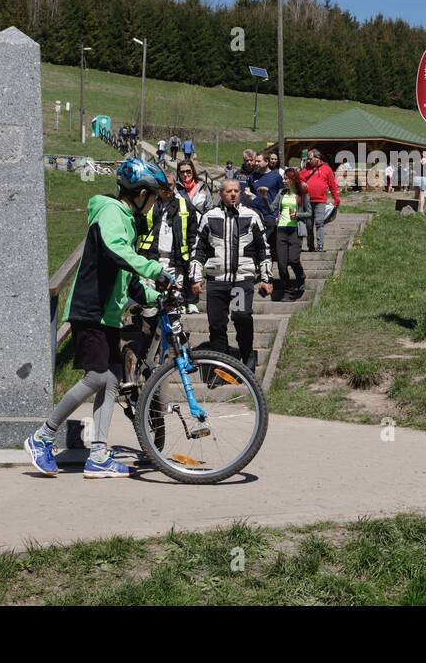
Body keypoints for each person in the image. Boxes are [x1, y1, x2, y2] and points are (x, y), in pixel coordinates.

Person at [24, 159, 174, 477]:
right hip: (88, 308)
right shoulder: (110, 212)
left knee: (111, 382)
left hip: (106, 314)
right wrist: (154, 269)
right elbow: (112, 250)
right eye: (153, 197)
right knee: (96, 378)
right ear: (141, 193)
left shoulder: (126, 222)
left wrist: (154, 296)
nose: (153, 205)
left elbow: (125, 275)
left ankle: (99, 455)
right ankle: (42, 437)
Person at [190, 179, 273, 371]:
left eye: (236, 191)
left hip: (241, 280)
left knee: (241, 316)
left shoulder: (251, 216)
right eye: (229, 191)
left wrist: (266, 278)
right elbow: (198, 249)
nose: (233, 194)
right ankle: (220, 365)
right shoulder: (209, 216)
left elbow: (263, 249)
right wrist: (195, 277)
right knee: (217, 324)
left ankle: (247, 354)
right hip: (217, 281)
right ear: (221, 194)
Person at [137, 174, 200, 314]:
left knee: (173, 302)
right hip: (150, 259)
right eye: (163, 185)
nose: (167, 188)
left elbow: (192, 233)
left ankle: (172, 333)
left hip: (175, 261)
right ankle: (150, 332)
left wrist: (190, 257)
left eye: (170, 185)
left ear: (174, 186)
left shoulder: (185, 205)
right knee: (148, 304)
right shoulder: (148, 203)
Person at [245, 149, 284, 295]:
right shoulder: (252, 176)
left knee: (267, 245)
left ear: (267, 162)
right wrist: (248, 196)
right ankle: (257, 272)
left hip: (269, 216)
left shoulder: (275, 176)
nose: (255, 163)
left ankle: (268, 276)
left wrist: (278, 213)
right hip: (255, 214)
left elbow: (281, 193)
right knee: (255, 245)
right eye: (255, 161)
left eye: (258, 161)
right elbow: (249, 191)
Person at [274, 167, 310, 300]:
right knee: (282, 265)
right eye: (283, 178)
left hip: (295, 231)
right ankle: (288, 290)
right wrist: (262, 198)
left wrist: (298, 215)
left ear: (293, 179)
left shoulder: (303, 195)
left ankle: (300, 277)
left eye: (286, 178)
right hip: (281, 230)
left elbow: (309, 213)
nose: (283, 181)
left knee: (293, 260)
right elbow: (272, 208)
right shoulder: (281, 193)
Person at [301, 149, 340, 252]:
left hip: (320, 201)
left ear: (317, 158)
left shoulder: (327, 169)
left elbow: (333, 185)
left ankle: (320, 246)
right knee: (309, 225)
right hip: (307, 200)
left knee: (319, 222)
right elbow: (299, 182)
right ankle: (310, 246)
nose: (308, 161)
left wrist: (336, 199)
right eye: (308, 159)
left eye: (310, 158)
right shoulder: (305, 170)